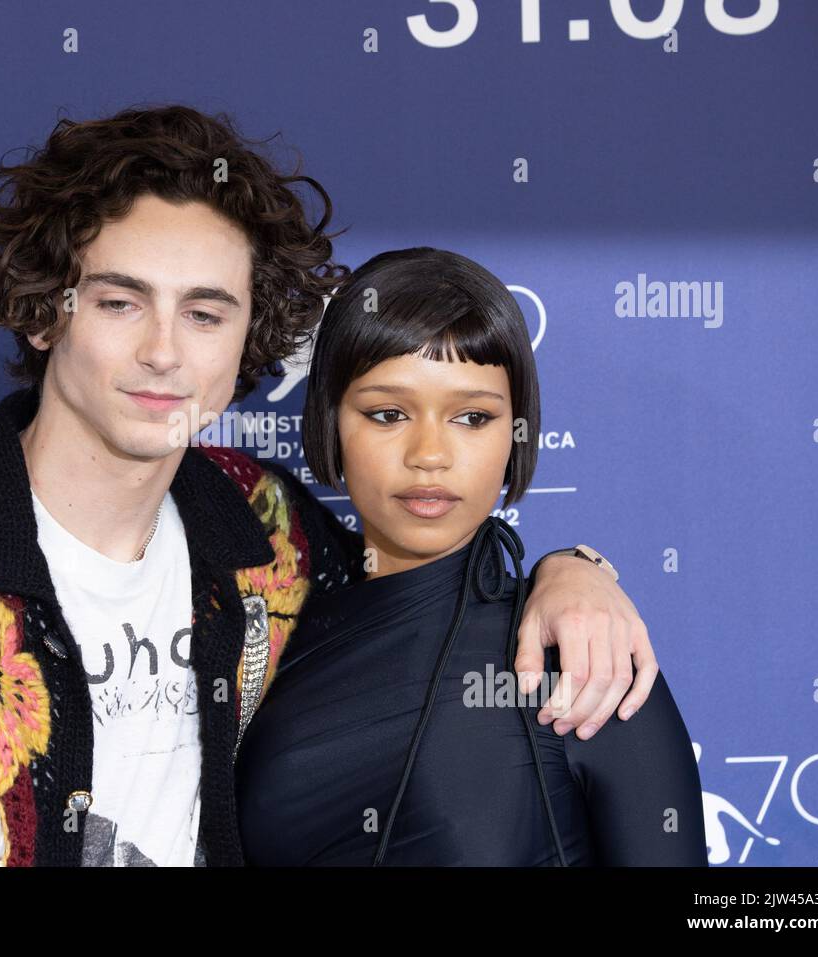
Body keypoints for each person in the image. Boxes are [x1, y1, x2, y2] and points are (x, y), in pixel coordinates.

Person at [0, 106, 660, 867]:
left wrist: (574, 570)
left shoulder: (269, 530)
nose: (165, 352)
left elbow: (426, 601)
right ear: (44, 311)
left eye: (206, 312)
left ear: (250, 336)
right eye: (120, 301)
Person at [234, 247, 707, 865]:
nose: (429, 454)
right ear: (329, 426)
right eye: (387, 413)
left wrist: (574, 568)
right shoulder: (267, 634)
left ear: (517, 435)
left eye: (472, 417)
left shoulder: (583, 655)